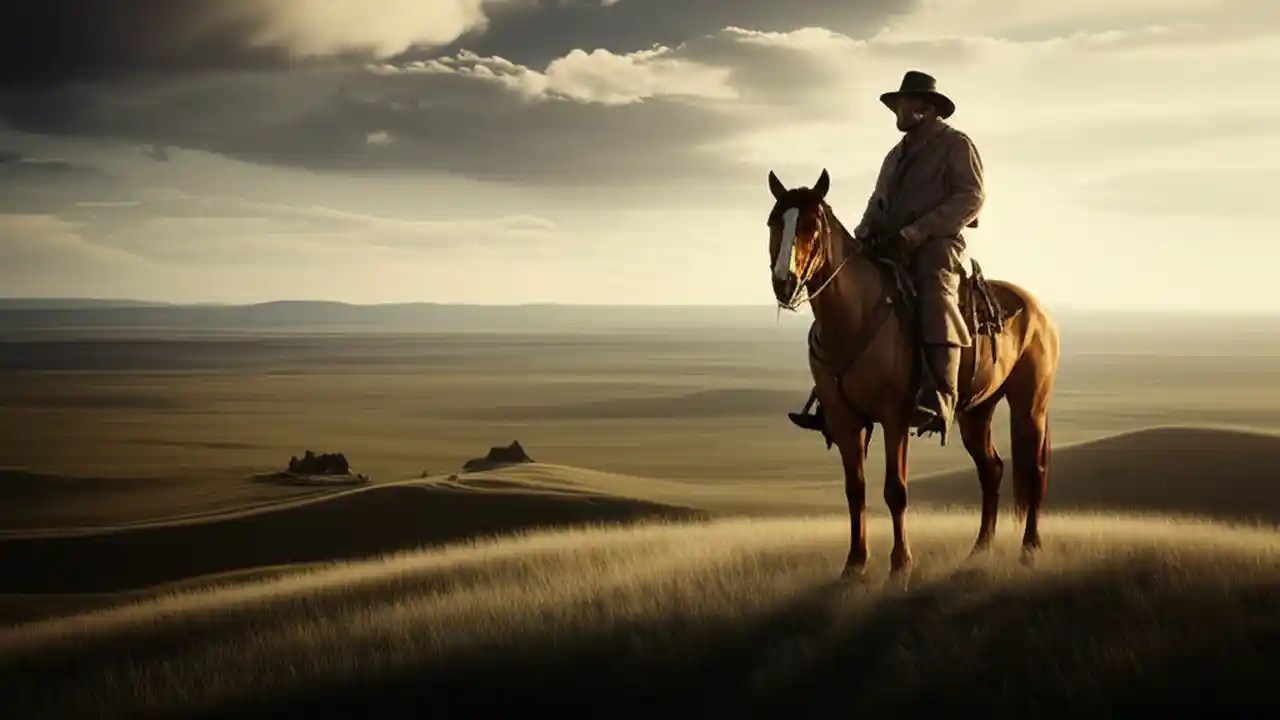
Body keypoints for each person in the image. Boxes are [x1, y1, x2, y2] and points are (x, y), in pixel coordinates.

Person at [788, 70, 985, 447]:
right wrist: (859, 240)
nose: (899, 110)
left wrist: (917, 232)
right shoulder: (895, 156)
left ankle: (940, 395)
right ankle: (834, 397)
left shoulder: (956, 145)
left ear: (927, 108)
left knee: (935, 291)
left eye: (906, 103)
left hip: (937, 244)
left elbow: (971, 197)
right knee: (850, 296)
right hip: (889, 243)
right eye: (897, 104)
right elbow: (877, 205)